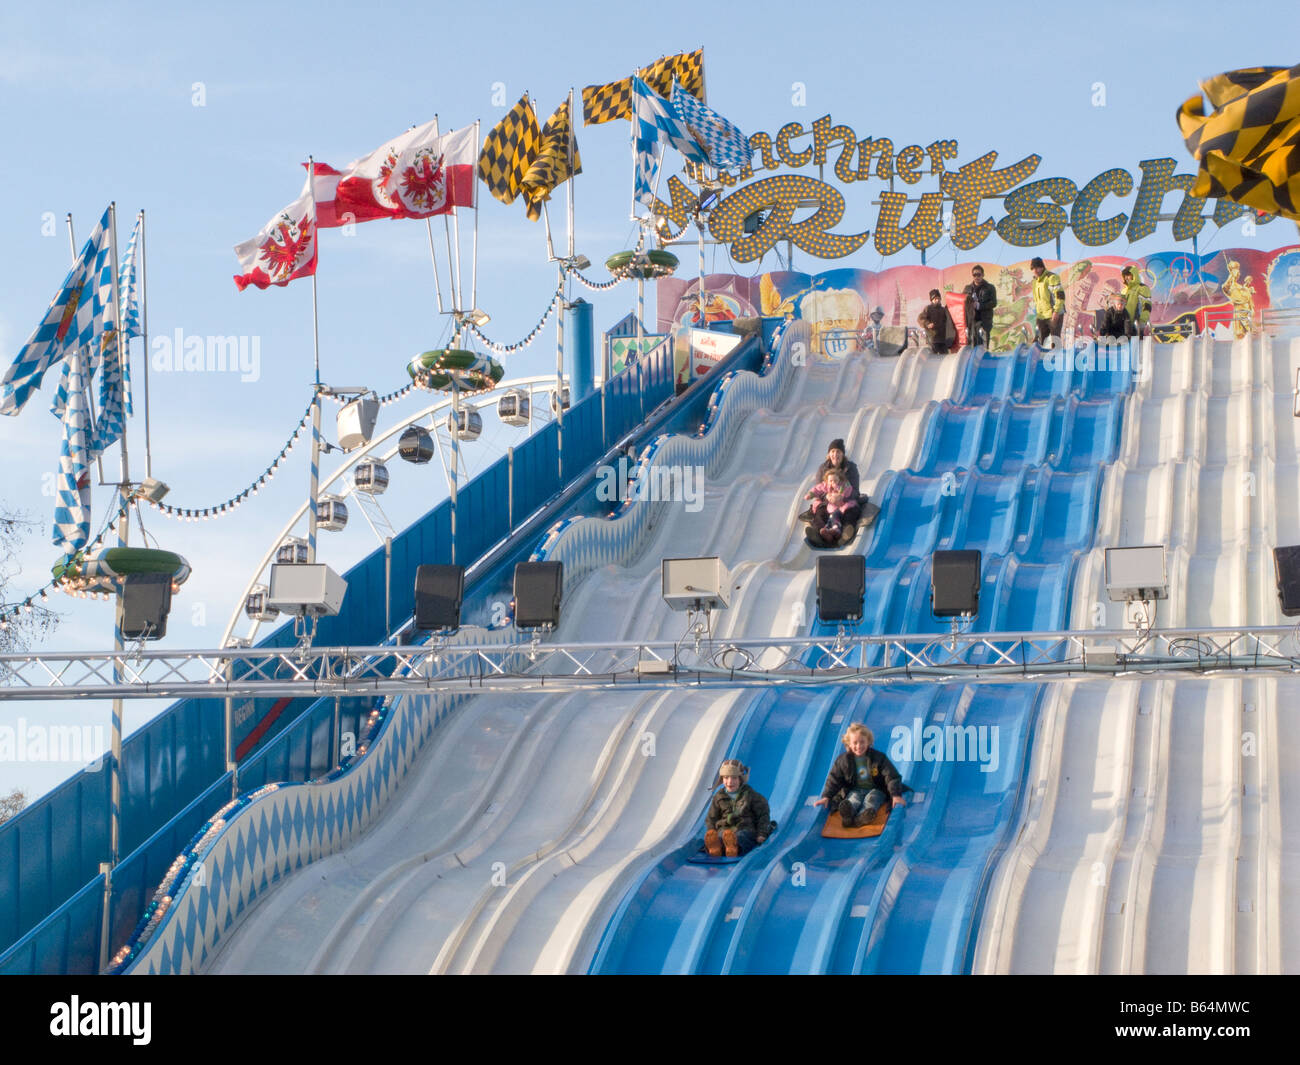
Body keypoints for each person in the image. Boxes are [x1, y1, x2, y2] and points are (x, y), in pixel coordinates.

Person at [813, 723, 907, 828]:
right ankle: (848, 815)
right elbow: (834, 779)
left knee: (872, 799)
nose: (859, 746)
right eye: (855, 743)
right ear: (849, 743)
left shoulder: (878, 758)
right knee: (853, 799)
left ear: (868, 742)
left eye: (862, 742)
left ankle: (862, 817)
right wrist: (826, 797)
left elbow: (891, 776)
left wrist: (895, 795)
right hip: (855, 789)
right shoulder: (843, 760)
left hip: (877, 789)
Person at [704, 759, 772, 857]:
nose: (730, 782)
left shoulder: (751, 795)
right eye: (726, 778)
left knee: (743, 837)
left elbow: (763, 815)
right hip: (725, 829)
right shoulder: (719, 797)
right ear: (722, 779)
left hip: (745, 828)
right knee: (719, 837)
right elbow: (711, 818)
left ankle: (733, 848)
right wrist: (711, 831)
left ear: (741, 779)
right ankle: (715, 848)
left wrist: (762, 833)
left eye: (734, 778)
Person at [805, 468, 857, 543]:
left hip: (843, 506)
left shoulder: (844, 484)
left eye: (835, 480)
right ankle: (824, 534)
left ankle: (841, 533)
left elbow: (848, 491)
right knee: (828, 519)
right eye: (831, 481)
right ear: (827, 481)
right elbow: (817, 488)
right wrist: (810, 494)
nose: (833, 482)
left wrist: (838, 489)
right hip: (831, 508)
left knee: (836, 517)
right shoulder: (826, 484)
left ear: (839, 479)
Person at [1030, 256, 1066, 348]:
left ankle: (1057, 359)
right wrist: (1038, 314)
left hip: (1053, 313)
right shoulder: (1035, 281)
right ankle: (1037, 360)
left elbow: (1060, 295)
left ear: (1042, 267)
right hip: (1041, 316)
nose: (1036, 270)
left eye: (1038, 267)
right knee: (1039, 340)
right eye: (1033, 268)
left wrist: (1056, 312)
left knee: (1055, 340)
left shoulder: (1051, 277)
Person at [962, 266, 997, 348]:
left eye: (979, 275)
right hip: (972, 321)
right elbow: (961, 302)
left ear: (983, 275)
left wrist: (979, 305)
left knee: (983, 344)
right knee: (972, 344)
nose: (976, 277)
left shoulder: (990, 287)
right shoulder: (967, 288)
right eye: (974, 275)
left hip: (985, 320)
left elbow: (993, 303)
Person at [917, 289, 958, 354]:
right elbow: (920, 318)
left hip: (943, 339)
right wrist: (927, 324)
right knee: (933, 357)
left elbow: (948, 321)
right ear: (932, 300)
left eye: (938, 298)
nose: (937, 300)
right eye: (935, 299)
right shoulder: (928, 308)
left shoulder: (943, 310)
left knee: (945, 356)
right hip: (933, 338)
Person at [1120, 265, 1152, 338]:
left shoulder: (1142, 288)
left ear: (1134, 275)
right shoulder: (1124, 290)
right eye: (1125, 276)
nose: (1126, 278)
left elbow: (1147, 305)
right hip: (1124, 324)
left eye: (1128, 275)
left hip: (1136, 323)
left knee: (1137, 346)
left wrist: (1142, 321)